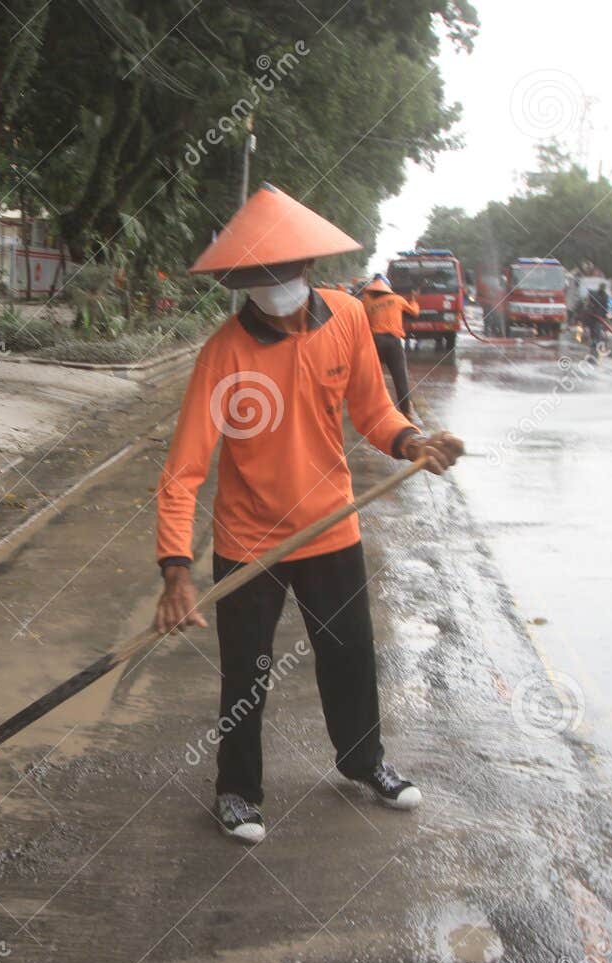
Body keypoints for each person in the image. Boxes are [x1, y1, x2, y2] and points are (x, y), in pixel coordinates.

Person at [154, 183, 464, 844]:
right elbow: (184, 470)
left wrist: (414, 442)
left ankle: (364, 761)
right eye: (259, 277)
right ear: (242, 284)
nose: (276, 286)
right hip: (249, 540)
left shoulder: (350, 319)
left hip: (331, 526)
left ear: (308, 267)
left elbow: (374, 412)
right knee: (247, 671)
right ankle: (237, 791)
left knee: (350, 654)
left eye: (284, 271)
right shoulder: (223, 355)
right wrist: (175, 569)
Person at [359, 274, 418, 416]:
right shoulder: (397, 299)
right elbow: (414, 313)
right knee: (400, 377)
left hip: (375, 341)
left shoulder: (368, 303)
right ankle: (406, 412)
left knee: (372, 376)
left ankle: (370, 409)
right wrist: (414, 300)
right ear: (388, 288)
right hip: (393, 341)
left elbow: (363, 319)